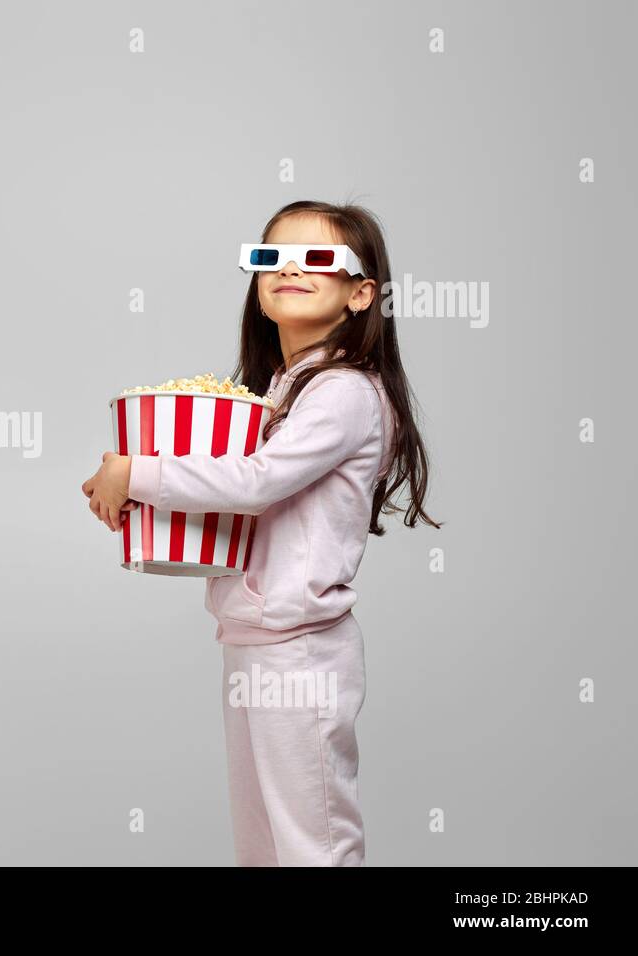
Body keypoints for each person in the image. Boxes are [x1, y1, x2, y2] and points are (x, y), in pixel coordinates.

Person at [82, 200, 441, 865]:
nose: (290, 270)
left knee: (312, 845)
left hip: (299, 652)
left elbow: (253, 483)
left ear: (360, 293)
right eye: (272, 257)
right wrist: (144, 500)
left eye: (319, 259)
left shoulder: (344, 392)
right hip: (253, 643)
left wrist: (136, 472)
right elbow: (241, 507)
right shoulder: (282, 388)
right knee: (264, 846)